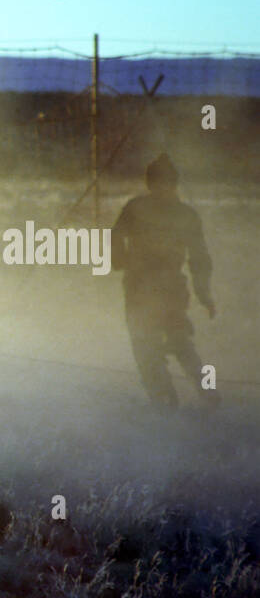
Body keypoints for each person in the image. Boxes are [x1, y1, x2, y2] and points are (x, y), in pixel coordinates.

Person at [110, 154, 218, 409]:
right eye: (157, 183)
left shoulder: (185, 215)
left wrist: (204, 295)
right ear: (150, 184)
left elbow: (199, 257)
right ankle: (164, 400)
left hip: (168, 288)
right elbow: (115, 236)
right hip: (140, 288)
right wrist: (119, 259)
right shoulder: (137, 208)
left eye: (166, 183)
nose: (161, 188)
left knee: (178, 342)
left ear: (173, 184)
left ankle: (207, 394)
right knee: (145, 344)